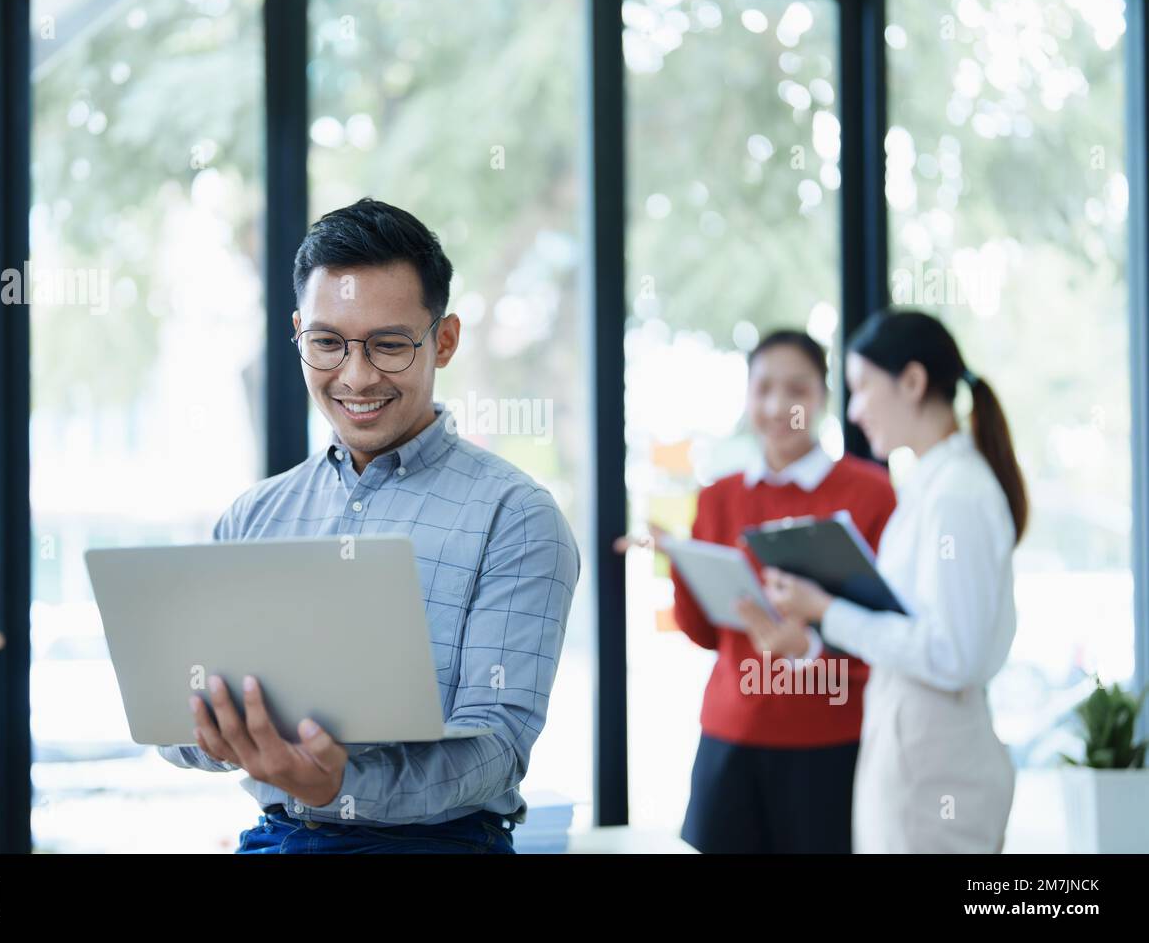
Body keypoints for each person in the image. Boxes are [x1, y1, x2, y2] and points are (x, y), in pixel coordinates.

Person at [158, 198, 580, 854]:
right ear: (298, 333)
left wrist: (338, 782)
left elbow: (497, 744)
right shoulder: (255, 515)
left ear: (444, 340)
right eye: (327, 343)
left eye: (388, 345)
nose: (356, 377)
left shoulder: (516, 517)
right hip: (279, 838)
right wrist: (205, 733)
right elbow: (182, 733)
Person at [742, 309, 1026, 853]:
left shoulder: (955, 496)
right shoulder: (931, 486)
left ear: (913, 383)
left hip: (937, 763)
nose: (855, 410)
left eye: (863, 389)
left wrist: (827, 610)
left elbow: (952, 655)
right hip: (917, 751)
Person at [633, 330, 897, 853]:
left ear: (822, 397)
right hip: (729, 738)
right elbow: (705, 634)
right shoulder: (718, 496)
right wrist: (681, 564)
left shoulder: (872, 493)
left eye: (796, 390)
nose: (778, 406)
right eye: (764, 389)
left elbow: (889, 633)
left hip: (832, 742)